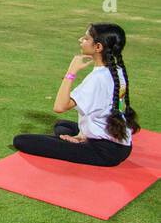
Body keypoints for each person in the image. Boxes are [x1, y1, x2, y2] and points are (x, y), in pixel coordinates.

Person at [12, 23, 138, 167]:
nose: (80, 40)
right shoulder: (117, 70)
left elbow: (59, 106)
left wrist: (71, 71)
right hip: (122, 145)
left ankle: (84, 141)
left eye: (85, 38)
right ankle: (83, 138)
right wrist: (82, 135)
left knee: (22, 141)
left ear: (98, 47)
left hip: (105, 152)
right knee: (61, 125)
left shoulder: (96, 80)